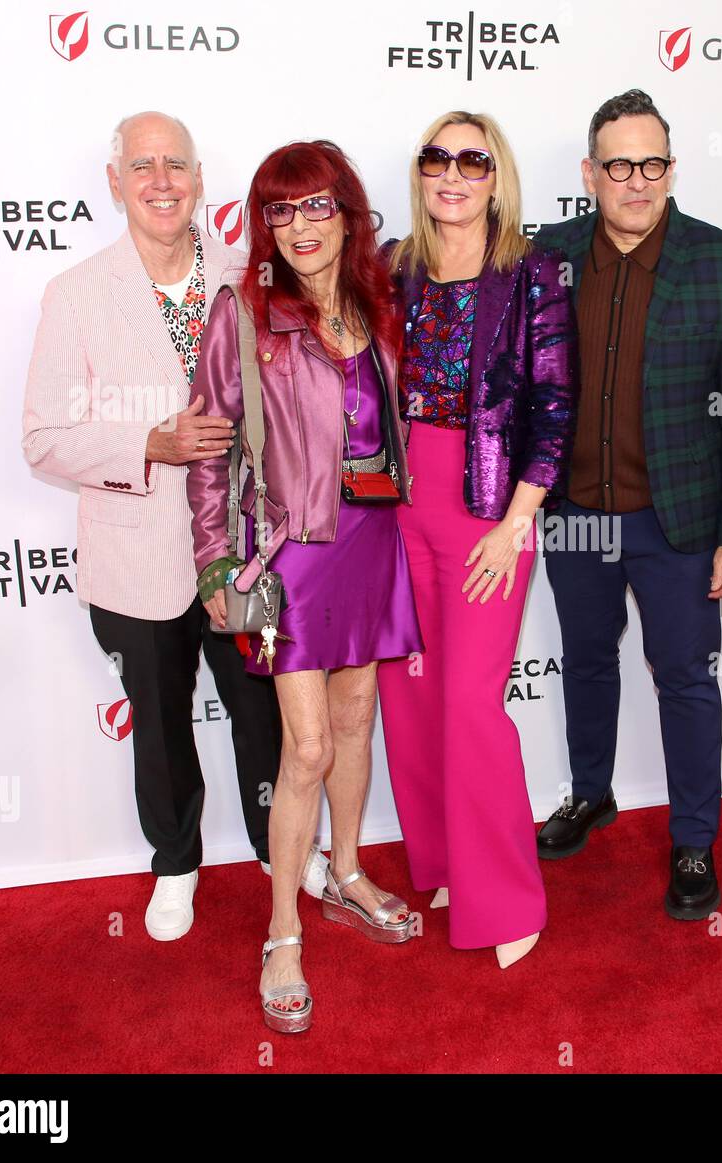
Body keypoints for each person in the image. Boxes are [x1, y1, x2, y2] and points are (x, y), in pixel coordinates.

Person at [22, 111, 325, 945]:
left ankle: (278, 850)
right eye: (143, 165)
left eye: (178, 165)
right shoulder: (76, 294)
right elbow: (42, 437)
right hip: (135, 558)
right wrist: (147, 443)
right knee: (157, 723)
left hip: (250, 555)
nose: (163, 181)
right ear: (116, 182)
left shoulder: (250, 275)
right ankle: (176, 860)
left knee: (262, 710)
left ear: (200, 179)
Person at [187, 140, 423, 1032]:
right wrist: (215, 561)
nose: (298, 227)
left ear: (348, 213)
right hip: (291, 554)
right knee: (309, 746)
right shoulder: (242, 313)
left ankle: (349, 872)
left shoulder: (379, 301)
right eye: (279, 211)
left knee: (359, 722)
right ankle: (282, 928)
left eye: (316, 206)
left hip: (373, 537)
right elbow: (209, 451)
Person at [533, 90, 722, 920]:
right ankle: (591, 793)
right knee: (588, 663)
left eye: (653, 163)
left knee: (686, 681)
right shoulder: (550, 253)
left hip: (679, 522)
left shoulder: (718, 260)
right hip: (575, 515)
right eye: (620, 165)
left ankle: (695, 840)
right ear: (590, 172)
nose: (637, 182)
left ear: (672, 167)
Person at [376, 111, 577, 969]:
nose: (451, 173)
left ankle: (507, 895)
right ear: (420, 173)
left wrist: (517, 522)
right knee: (410, 692)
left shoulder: (532, 274)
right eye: (436, 158)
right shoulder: (397, 268)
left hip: (488, 505)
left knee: (470, 701)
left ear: (497, 177)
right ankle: (447, 862)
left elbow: (556, 406)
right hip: (396, 499)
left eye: (472, 160)